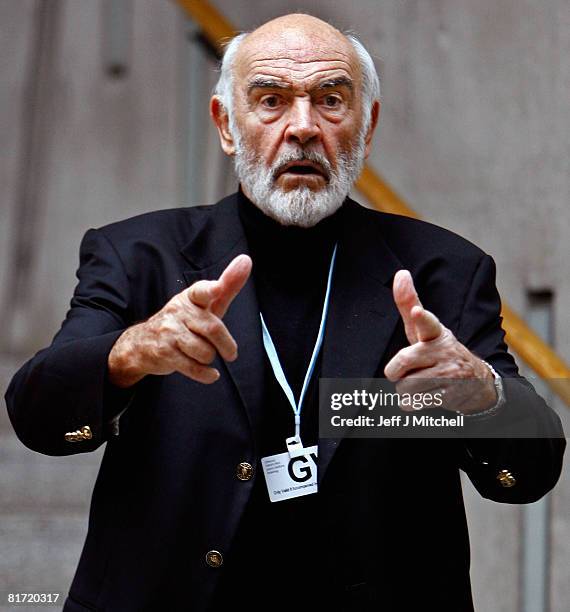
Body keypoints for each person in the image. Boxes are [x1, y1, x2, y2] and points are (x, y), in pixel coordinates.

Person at [5, 13, 565, 612]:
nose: (302, 128)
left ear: (367, 126)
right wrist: (128, 353)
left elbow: (529, 471)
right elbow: (38, 414)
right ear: (226, 125)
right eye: (270, 101)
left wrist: (481, 398)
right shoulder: (139, 256)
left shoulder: (442, 271)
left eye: (330, 100)